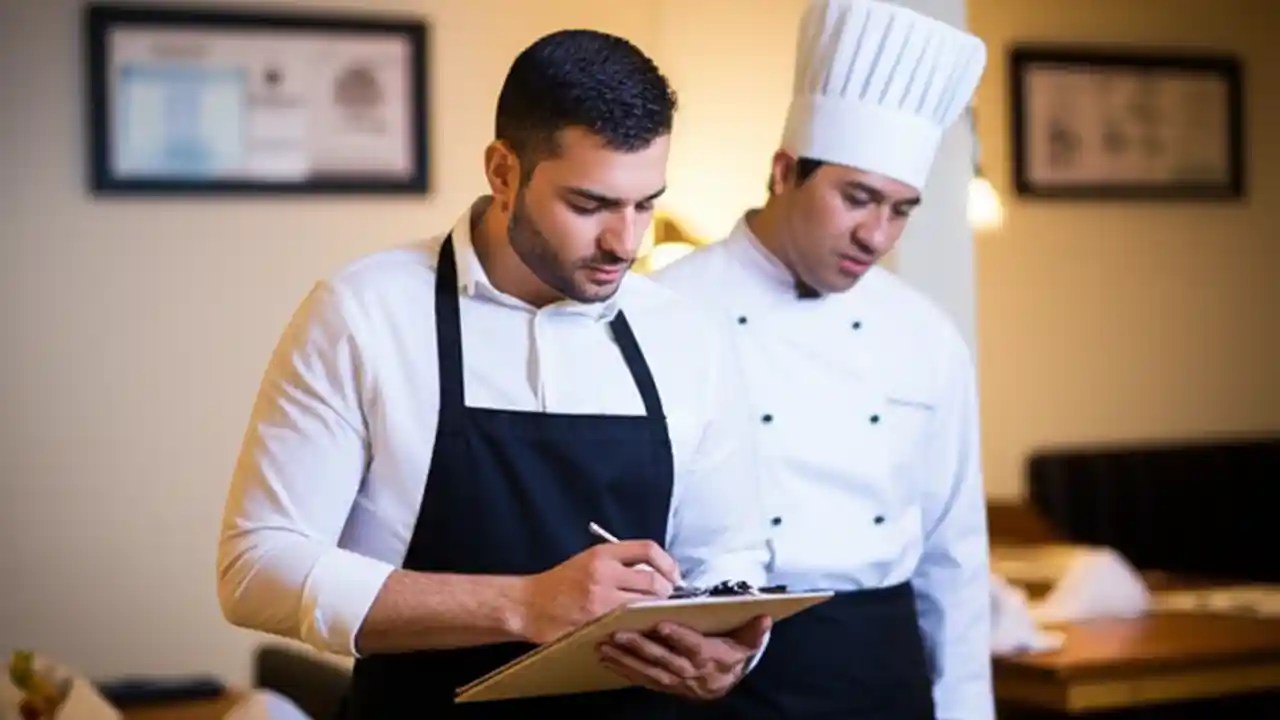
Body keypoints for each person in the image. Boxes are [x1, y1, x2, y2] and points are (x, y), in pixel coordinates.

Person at [217, 28, 772, 719]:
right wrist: (524, 605)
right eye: (590, 205)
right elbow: (257, 568)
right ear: (503, 172)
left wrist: (732, 651)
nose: (625, 243)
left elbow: (731, 555)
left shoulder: (688, 333)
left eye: (645, 203)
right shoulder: (364, 312)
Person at [654, 1, 994, 718]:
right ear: (784, 170)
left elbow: (955, 557)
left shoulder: (926, 336)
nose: (877, 234)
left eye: (901, 208)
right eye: (857, 197)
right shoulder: (665, 312)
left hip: (885, 662)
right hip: (724, 671)